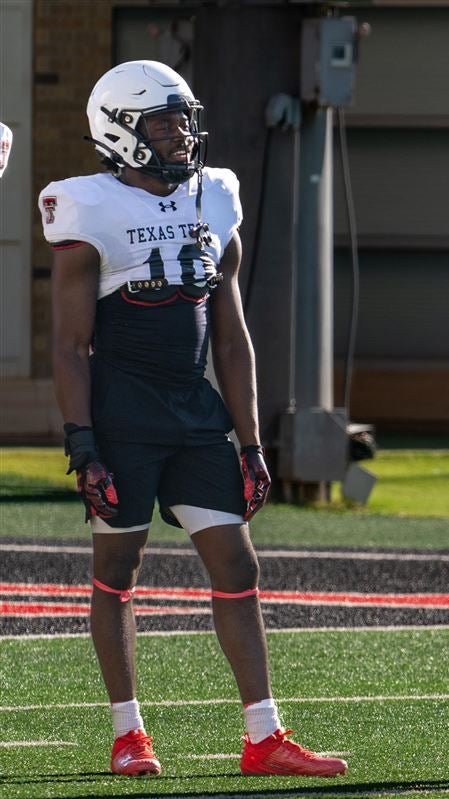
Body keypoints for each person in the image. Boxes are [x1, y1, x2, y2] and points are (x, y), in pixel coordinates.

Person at [41, 60, 346, 779]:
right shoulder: (89, 208)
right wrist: (83, 443)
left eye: (184, 120)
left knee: (238, 561)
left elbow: (232, 332)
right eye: (163, 123)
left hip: (192, 408)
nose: (181, 135)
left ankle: (263, 735)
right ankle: (128, 732)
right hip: (122, 415)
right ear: (120, 131)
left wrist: (250, 439)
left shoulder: (217, 197)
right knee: (118, 567)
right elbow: (68, 343)